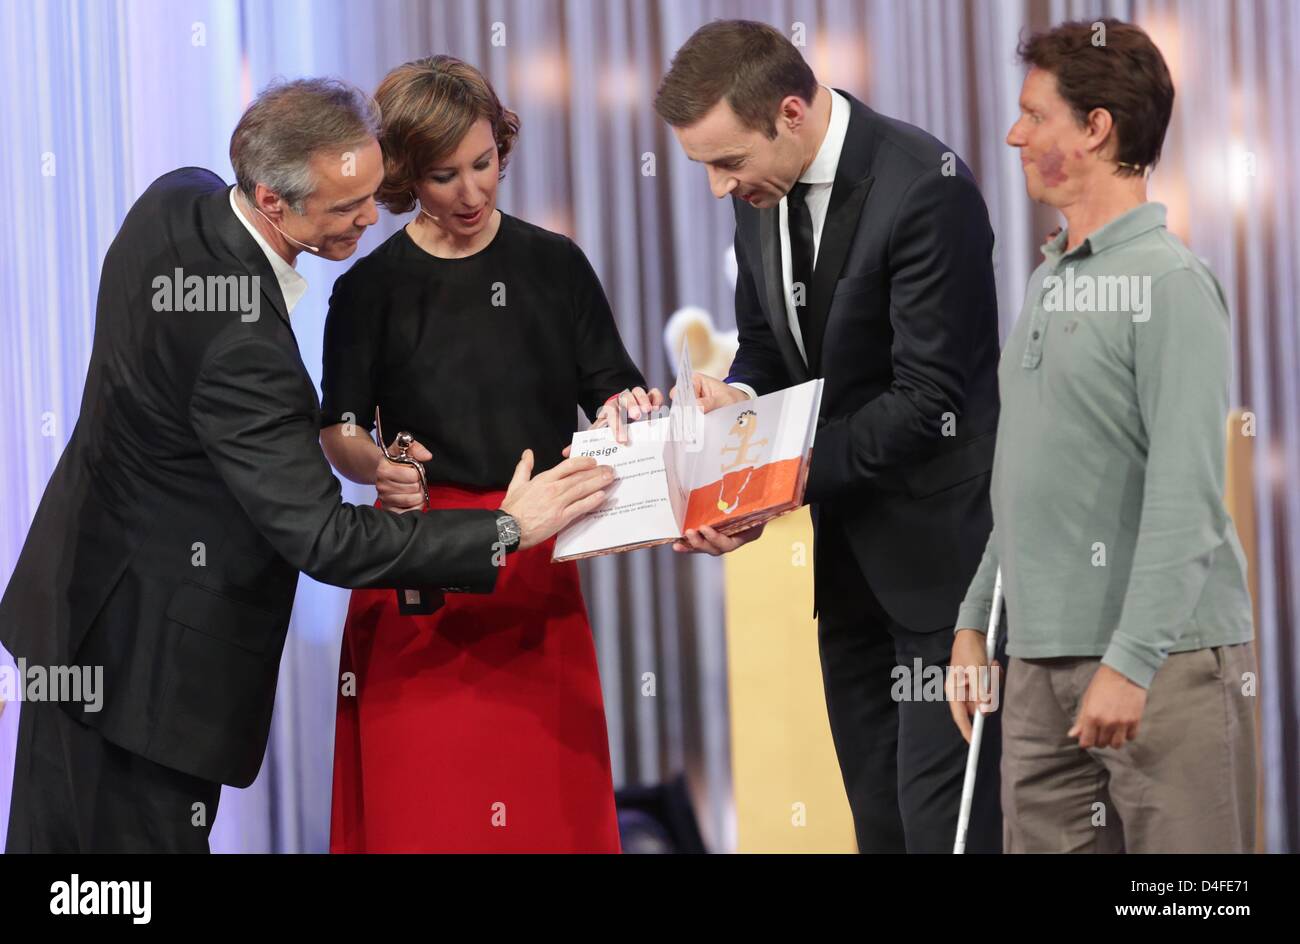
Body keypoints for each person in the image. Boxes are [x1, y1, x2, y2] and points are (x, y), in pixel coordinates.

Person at [0, 78, 612, 853]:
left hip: (73, 613)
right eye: (347, 205)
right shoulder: (244, 349)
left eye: (373, 188)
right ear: (273, 199)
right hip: (145, 671)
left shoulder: (175, 200)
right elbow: (327, 538)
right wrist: (504, 529)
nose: (371, 213)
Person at [654, 20, 1003, 852]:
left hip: (945, 583)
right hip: (846, 572)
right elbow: (773, 347)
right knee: (878, 831)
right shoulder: (760, 192)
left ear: (791, 112)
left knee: (946, 834)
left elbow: (927, 403)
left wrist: (764, 483)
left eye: (726, 162)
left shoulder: (924, 186)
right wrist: (732, 402)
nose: (715, 187)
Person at [320, 56, 659, 852]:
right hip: (417, 567)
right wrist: (381, 467)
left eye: (486, 164)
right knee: (428, 816)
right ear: (403, 174)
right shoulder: (370, 289)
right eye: (445, 175)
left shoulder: (554, 266)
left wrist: (628, 408)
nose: (473, 193)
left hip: (535, 566)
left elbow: (613, 387)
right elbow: (337, 429)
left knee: (542, 816)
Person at [948, 19, 1256, 853]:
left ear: (1096, 129)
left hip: (1164, 668)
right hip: (1040, 663)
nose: (1014, 134)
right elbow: (1024, 477)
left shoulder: (1172, 284)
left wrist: (1131, 661)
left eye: (1034, 114)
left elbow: (1188, 495)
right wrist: (976, 619)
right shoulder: (1049, 282)